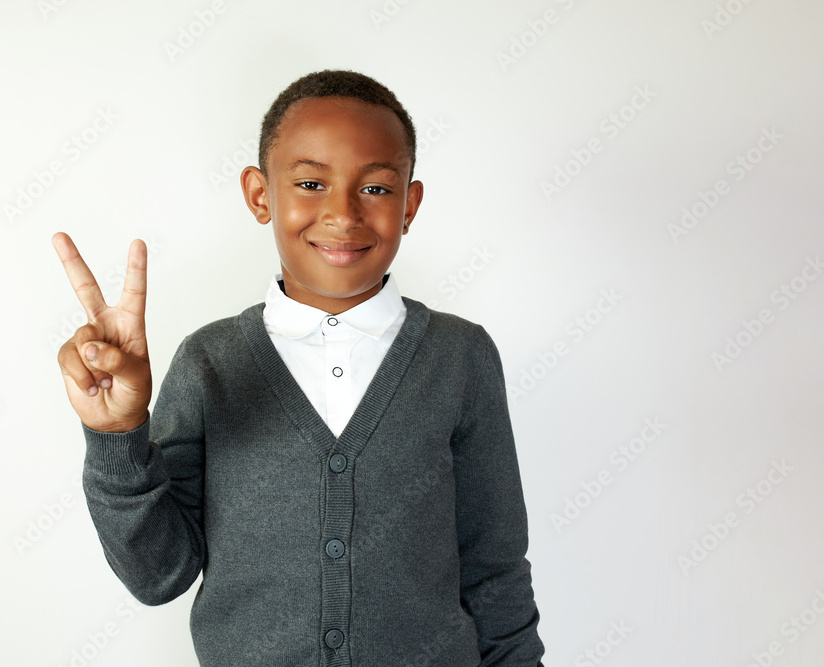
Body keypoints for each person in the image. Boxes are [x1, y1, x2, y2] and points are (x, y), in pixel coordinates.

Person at [53, 69, 546, 666]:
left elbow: (494, 569)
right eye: (311, 182)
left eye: (376, 189)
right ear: (261, 195)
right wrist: (117, 436)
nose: (342, 214)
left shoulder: (460, 357)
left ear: (410, 204)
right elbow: (158, 576)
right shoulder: (210, 363)